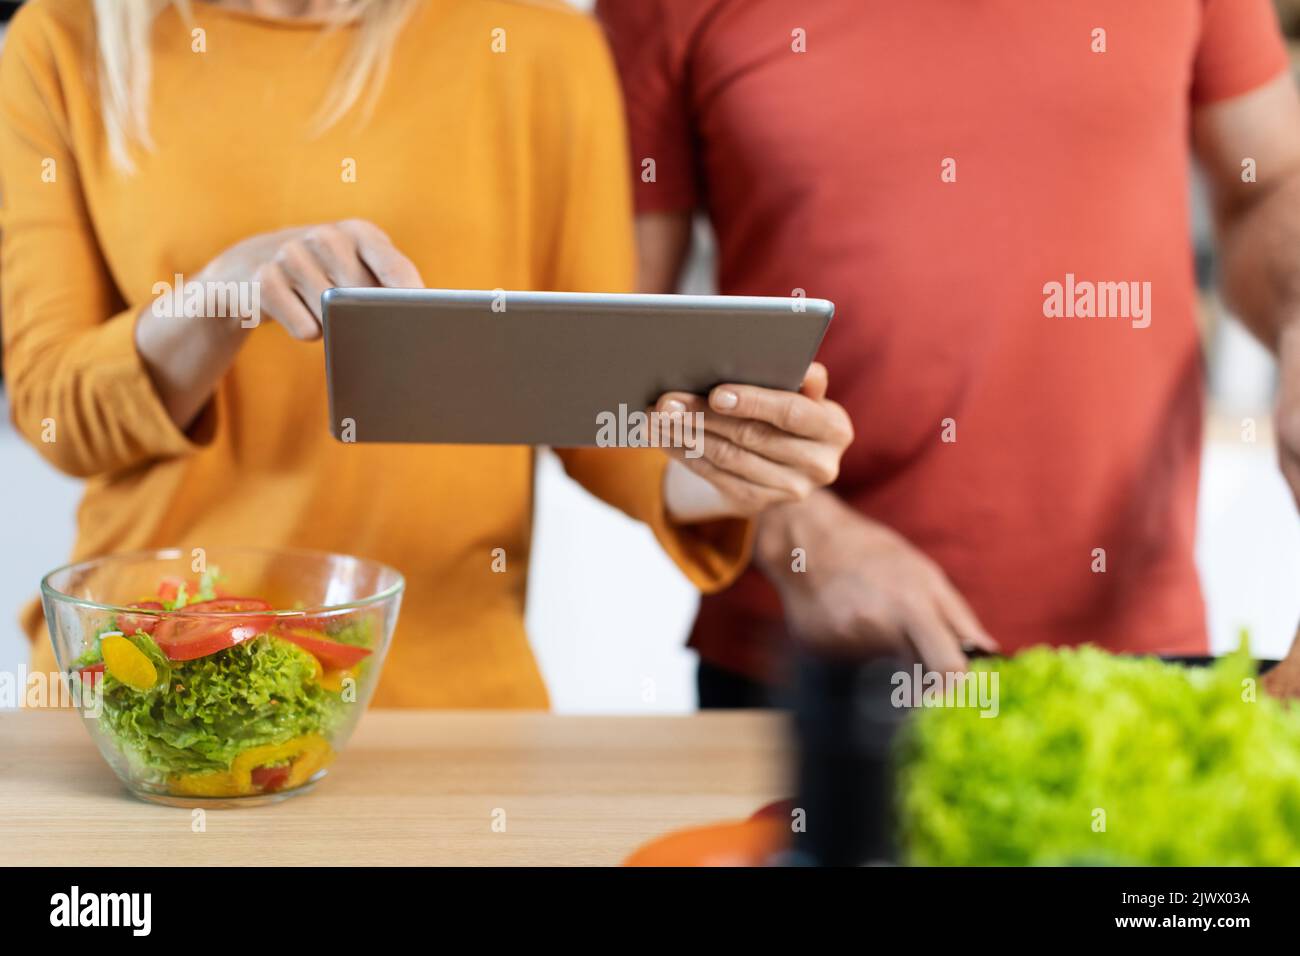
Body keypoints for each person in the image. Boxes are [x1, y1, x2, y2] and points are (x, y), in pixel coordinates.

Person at [0, 0, 853, 707]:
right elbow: (52, 411)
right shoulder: (63, 39)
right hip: (144, 684)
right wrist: (220, 296)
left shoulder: (540, 49)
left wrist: (730, 464)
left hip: (446, 705)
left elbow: (595, 419)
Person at [597, 0, 1300, 705]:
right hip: (810, 669)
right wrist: (795, 533)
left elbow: (1268, 183)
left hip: (1137, 662)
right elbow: (606, 354)